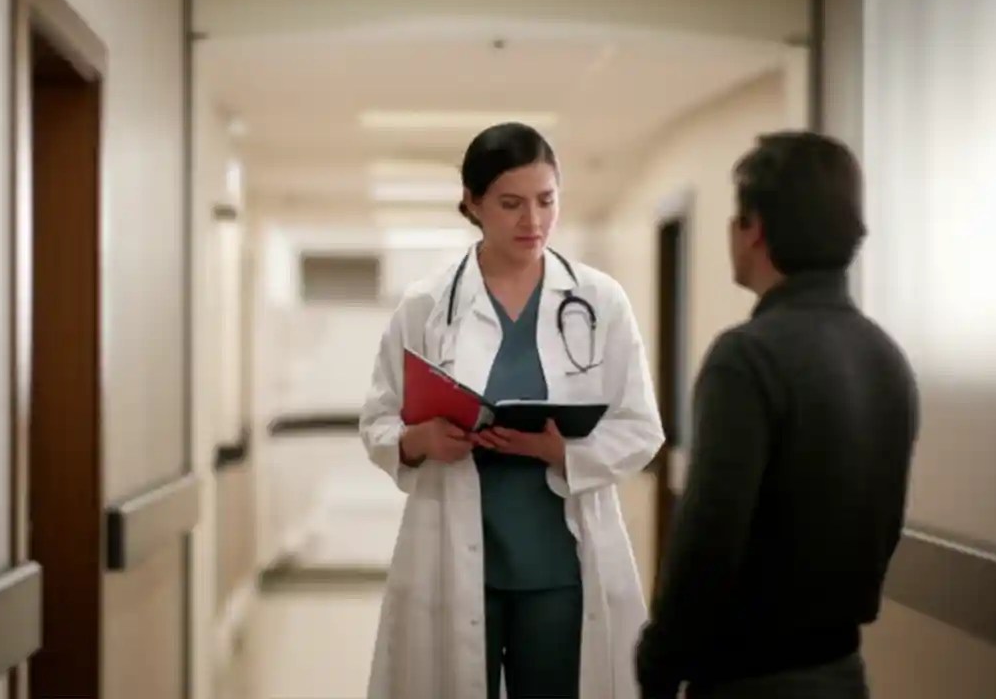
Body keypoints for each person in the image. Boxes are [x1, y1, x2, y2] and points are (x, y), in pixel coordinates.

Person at [360, 122, 665, 699]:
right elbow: (378, 419)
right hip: (452, 558)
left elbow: (641, 427)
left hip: (561, 568)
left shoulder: (599, 301)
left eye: (546, 200)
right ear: (473, 203)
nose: (533, 221)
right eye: (510, 204)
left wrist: (564, 452)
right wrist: (418, 440)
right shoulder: (426, 306)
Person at [635, 132, 919, 698]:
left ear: (755, 229)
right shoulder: (885, 357)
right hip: (843, 673)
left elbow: (708, 540)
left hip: (750, 681)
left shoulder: (747, 357)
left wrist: (659, 660)